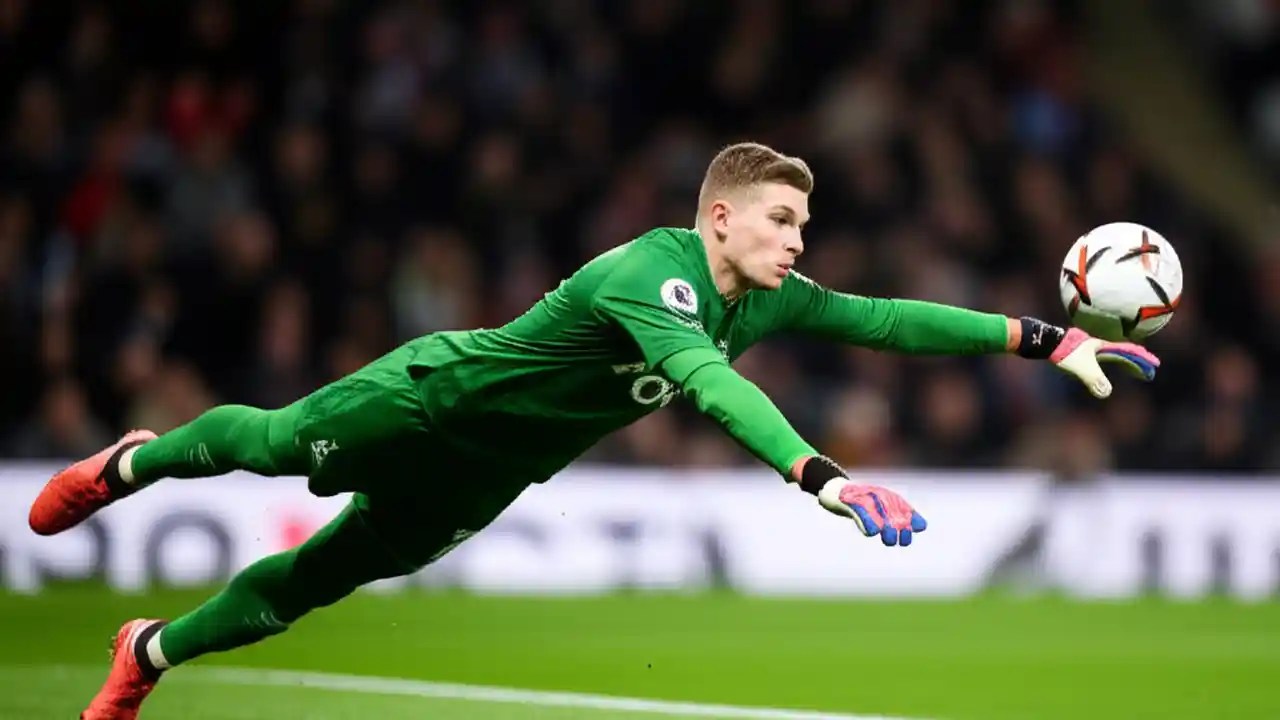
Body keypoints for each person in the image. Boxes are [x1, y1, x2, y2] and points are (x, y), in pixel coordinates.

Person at [28, 142, 1159, 719]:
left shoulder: (768, 295)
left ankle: (148, 656)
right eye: (781, 219)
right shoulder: (649, 271)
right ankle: (135, 458)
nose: (798, 241)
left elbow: (888, 320)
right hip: (429, 401)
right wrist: (814, 473)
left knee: (312, 587)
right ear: (718, 216)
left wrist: (1039, 340)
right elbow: (704, 383)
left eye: (804, 224)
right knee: (268, 444)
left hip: (488, 477)